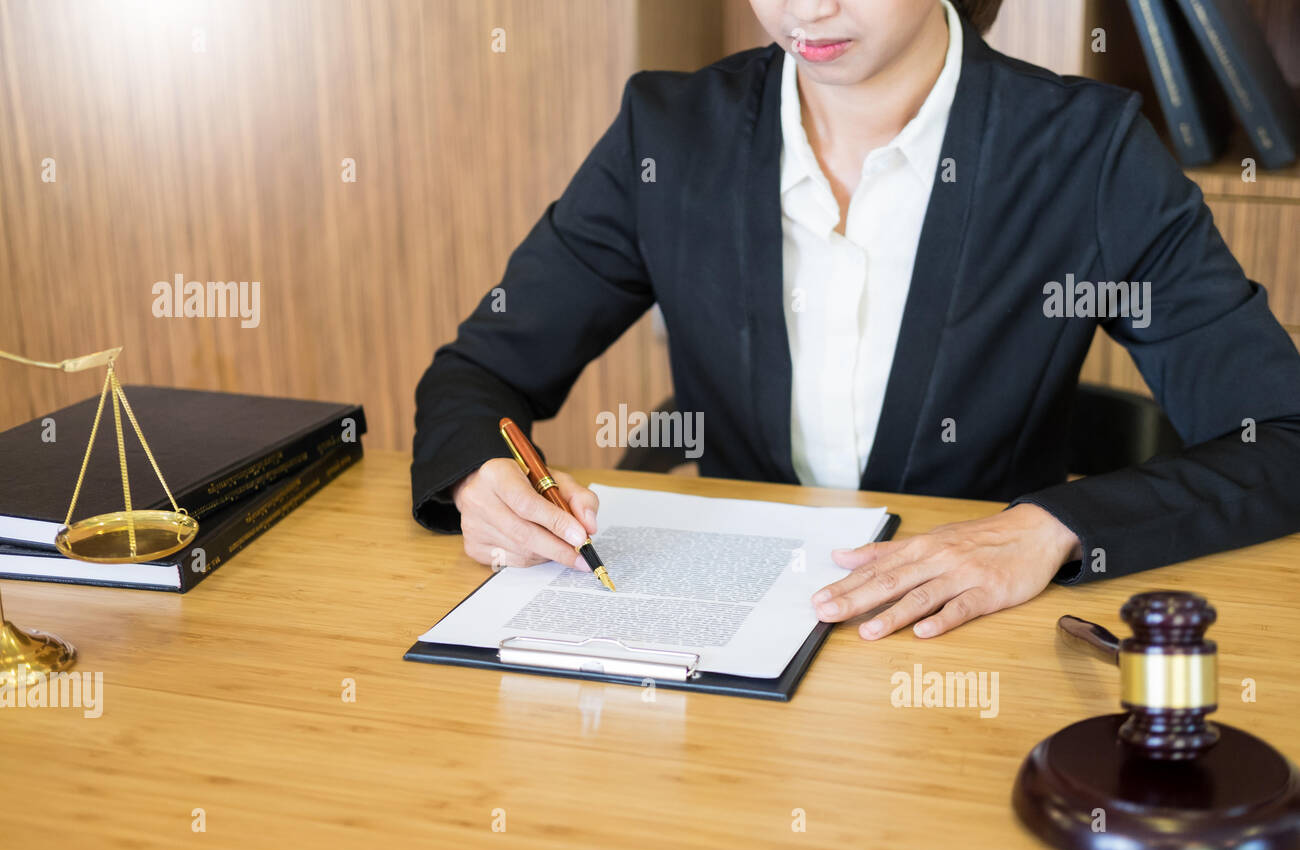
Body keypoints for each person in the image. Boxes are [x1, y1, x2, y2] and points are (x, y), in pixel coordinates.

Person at [411, 0, 1300, 640]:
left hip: (970, 639)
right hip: (732, 633)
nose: (808, 8)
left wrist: (1049, 526)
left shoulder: (1086, 151)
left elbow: (1285, 435)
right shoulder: (669, 135)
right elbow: (479, 372)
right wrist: (481, 480)